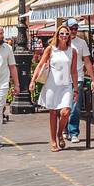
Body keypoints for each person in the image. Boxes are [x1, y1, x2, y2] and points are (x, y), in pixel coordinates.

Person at [33, 24, 77, 152]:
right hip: (52, 85)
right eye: (62, 33)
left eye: (66, 34)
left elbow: (73, 71)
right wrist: (33, 80)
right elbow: (40, 65)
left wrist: (76, 88)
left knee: (65, 112)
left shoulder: (72, 51)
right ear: (57, 35)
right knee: (52, 113)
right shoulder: (50, 49)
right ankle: (53, 140)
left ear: (69, 36)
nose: (64, 36)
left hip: (66, 85)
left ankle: (60, 133)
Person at [64, 19, 94, 141]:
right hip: (62, 78)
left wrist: (93, 80)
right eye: (71, 28)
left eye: (76, 28)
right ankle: (64, 128)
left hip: (77, 77)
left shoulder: (81, 43)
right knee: (64, 106)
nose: (74, 31)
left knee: (75, 106)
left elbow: (88, 62)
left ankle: (73, 132)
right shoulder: (61, 42)